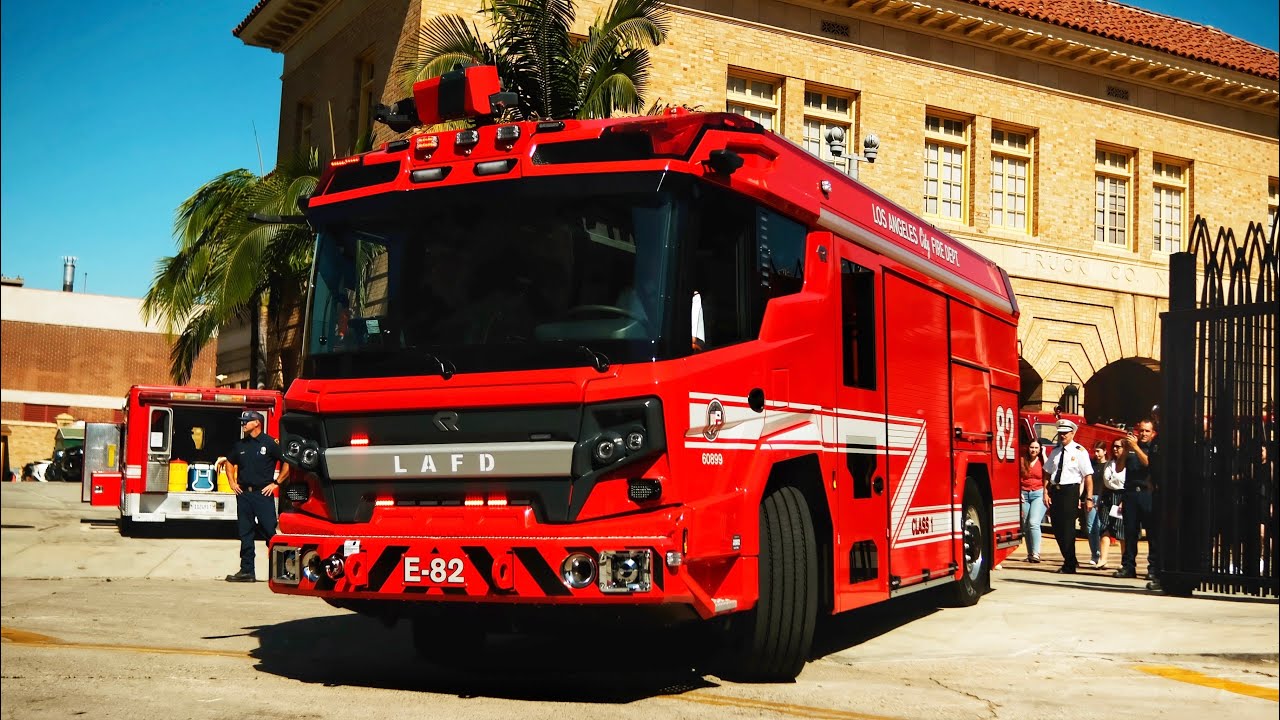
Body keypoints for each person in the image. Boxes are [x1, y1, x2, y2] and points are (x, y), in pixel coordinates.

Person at [217, 410, 289, 583]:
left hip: (262, 494)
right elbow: (229, 461)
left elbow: (287, 462)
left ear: (257, 423)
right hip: (244, 495)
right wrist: (231, 482)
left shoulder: (270, 443)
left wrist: (276, 483)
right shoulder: (240, 445)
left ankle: (283, 571)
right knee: (245, 533)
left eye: (246, 421)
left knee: (270, 532)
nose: (243, 424)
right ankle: (247, 571)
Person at [1043, 418, 1094, 573]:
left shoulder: (1079, 451)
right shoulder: (1055, 452)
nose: (1062, 436)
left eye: (1065, 433)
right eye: (1060, 433)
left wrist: (1089, 497)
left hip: (1070, 491)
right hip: (1056, 491)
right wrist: (1045, 491)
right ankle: (1070, 559)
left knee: (1068, 528)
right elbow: (1047, 472)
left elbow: (1088, 476)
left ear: (1072, 433)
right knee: (1057, 527)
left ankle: (1069, 563)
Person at [1115, 418, 1158, 582]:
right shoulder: (1131, 447)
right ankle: (1128, 567)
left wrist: (1135, 448)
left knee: (1152, 533)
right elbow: (1119, 468)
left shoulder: (1154, 447)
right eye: (1141, 430)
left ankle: (1153, 568)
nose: (1144, 434)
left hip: (1147, 494)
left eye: (1147, 431)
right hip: (1130, 494)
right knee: (1130, 532)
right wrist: (1126, 450)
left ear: (1152, 433)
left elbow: (1149, 464)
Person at [1093, 439, 1128, 570]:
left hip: (1121, 496)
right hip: (1108, 496)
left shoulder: (1127, 464)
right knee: (1105, 527)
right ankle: (1103, 559)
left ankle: (1124, 561)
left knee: (1121, 529)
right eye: (1114, 446)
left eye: (1118, 447)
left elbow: (1128, 483)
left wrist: (1124, 501)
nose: (1115, 449)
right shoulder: (1109, 463)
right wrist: (1099, 499)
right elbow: (1104, 483)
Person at [1019, 439, 1047, 563]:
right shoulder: (1022, 460)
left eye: (1036, 448)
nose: (1033, 450)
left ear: (1040, 449)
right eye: (1032, 447)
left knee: (1033, 522)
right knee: (1025, 525)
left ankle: (1036, 553)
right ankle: (1030, 554)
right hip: (1024, 494)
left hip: (1038, 493)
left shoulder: (1042, 461)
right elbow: (1016, 476)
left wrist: (1044, 454)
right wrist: (1019, 492)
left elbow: (1049, 471)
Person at [1086, 440, 1107, 567]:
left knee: (1099, 526)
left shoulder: (1108, 465)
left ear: (1105, 451)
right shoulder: (1091, 465)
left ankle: (1102, 555)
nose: (1096, 454)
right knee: (1090, 527)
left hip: (1102, 497)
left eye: (1098, 451)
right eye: (1095, 451)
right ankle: (1095, 554)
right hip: (1091, 497)